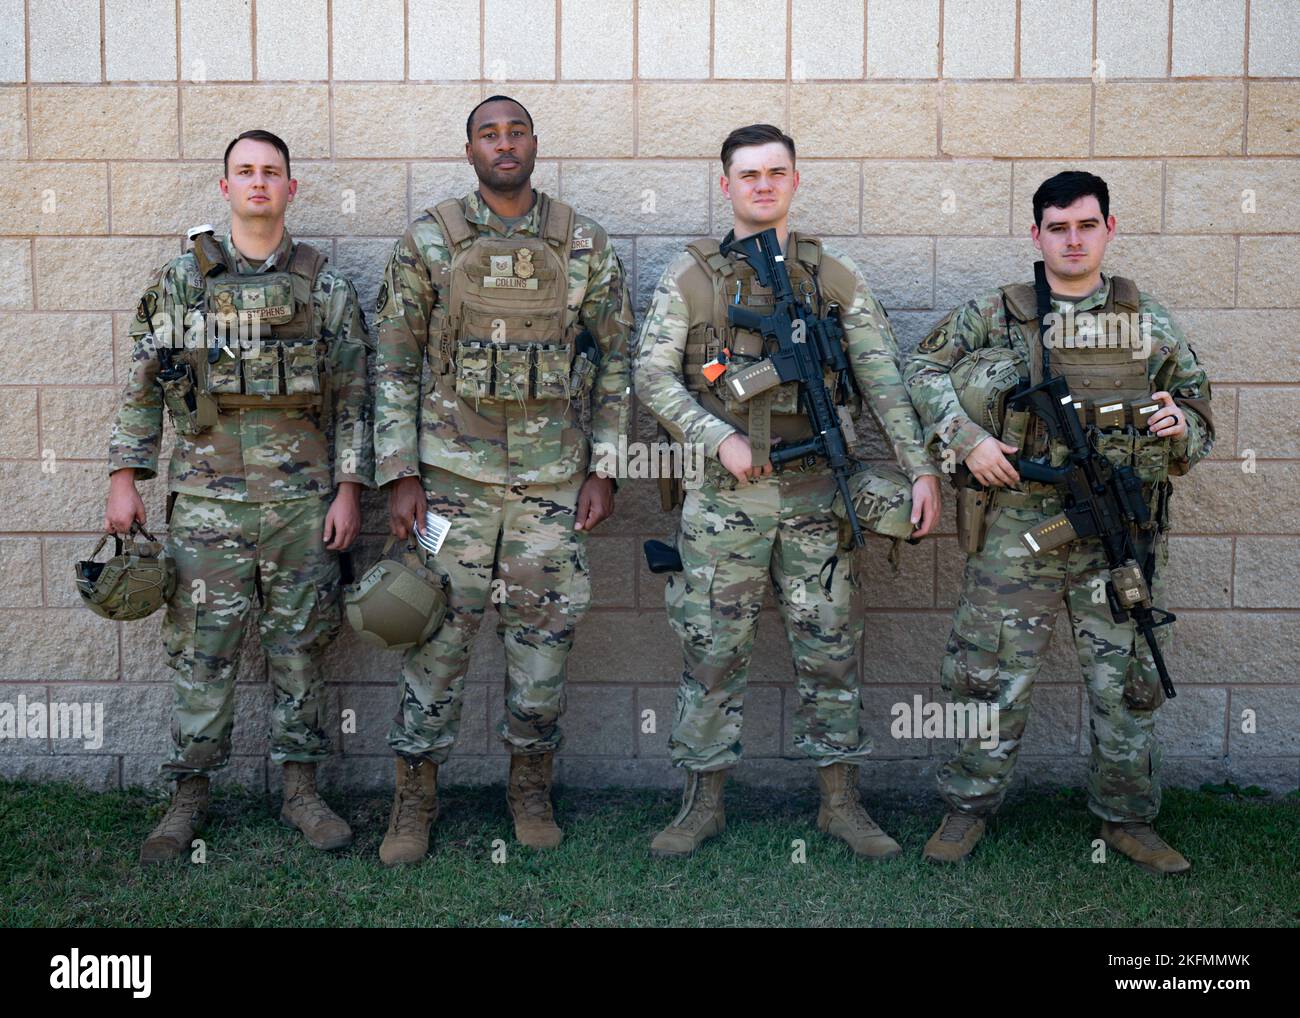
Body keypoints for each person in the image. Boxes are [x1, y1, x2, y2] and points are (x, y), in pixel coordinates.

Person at [634, 124, 941, 859]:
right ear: (726, 185)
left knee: (831, 652)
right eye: (749, 175)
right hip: (725, 501)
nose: (763, 185)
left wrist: (922, 467)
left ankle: (840, 803)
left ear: (795, 182)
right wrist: (720, 439)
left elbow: (882, 378)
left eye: (777, 173)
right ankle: (700, 803)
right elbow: (650, 375)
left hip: (815, 499)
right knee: (711, 653)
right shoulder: (691, 276)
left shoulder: (832, 277)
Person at [903, 171, 1213, 875]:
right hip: (1018, 532)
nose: (1073, 240)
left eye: (1087, 225)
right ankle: (966, 809)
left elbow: (1199, 411)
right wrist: (966, 439)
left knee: (1127, 682)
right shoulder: (997, 312)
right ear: (1036, 233)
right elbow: (920, 368)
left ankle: (1128, 817)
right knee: (987, 674)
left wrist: (1178, 425)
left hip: (1116, 536)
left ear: (1109, 229)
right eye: (1059, 227)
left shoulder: (1148, 319)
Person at [372, 95, 633, 865]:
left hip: (553, 485)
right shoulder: (429, 240)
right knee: (434, 643)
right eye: (490, 133)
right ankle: (413, 797)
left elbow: (616, 359)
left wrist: (606, 468)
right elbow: (394, 359)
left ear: (535, 145)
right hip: (451, 480)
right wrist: (399, 474)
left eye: (516, 131)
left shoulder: (582, 241)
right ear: (470, 150)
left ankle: (529, 787)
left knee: (544, 645)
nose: (504, 143)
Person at [105, 129, 374, 863]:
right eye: (245, 172)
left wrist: (349, 493)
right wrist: (124, 477)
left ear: (293, 187)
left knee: (301, 650)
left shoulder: (328, 286)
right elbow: (143, 386)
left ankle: (302, 793)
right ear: (224, 188)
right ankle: (188, 795)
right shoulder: (182, 282)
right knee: (202, 653)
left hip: (303, 505)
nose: (259, 183)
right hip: (206, 504)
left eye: (272, 172)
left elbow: (354, 398)